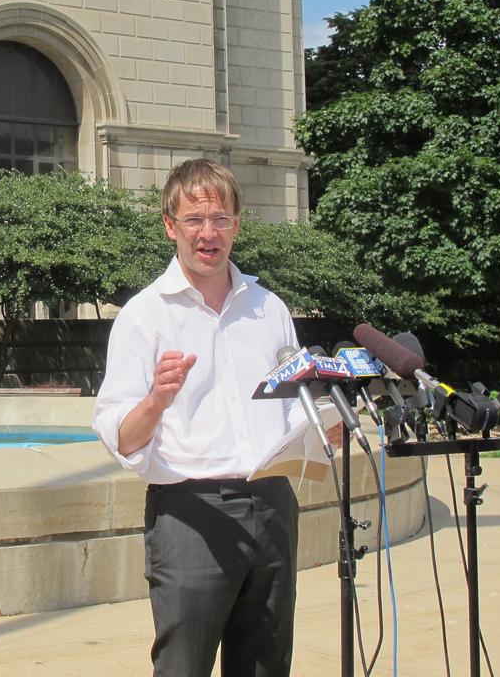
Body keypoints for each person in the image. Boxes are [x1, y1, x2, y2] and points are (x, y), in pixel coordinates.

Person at [94, 158, 322, 677]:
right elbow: (119, 436)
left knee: (266, 666)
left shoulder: (269, 308)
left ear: (237, 224)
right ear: (170, 225)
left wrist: (320, 423)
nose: (208, 232)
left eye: (220, 219)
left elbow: (292, 405)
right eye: (194, 219)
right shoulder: (144, 315)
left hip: (273, 504)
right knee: (184, 667)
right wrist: (156, 400)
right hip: (191, 512)